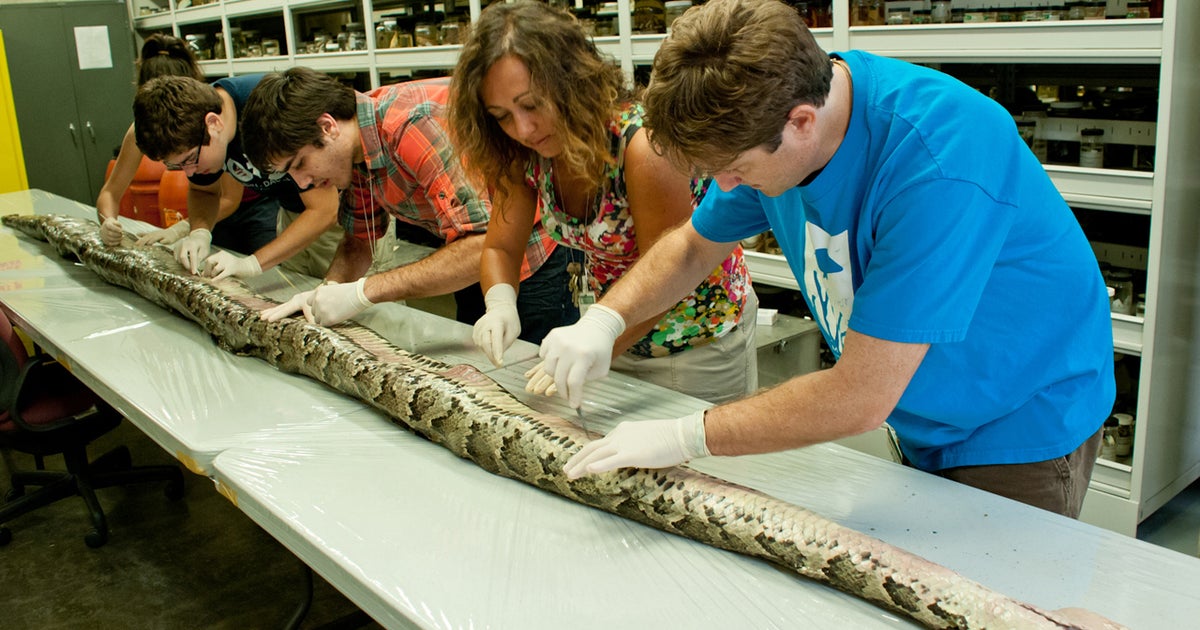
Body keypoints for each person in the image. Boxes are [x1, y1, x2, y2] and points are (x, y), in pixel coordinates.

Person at [541, 0, 1115, 519]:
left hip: (1017, 420)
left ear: (801, 123)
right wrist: (605, 320)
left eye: (735, 169)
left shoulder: (941, 162)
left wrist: (689, 435)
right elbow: (695, 245)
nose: (726, 184)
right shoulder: (768, 117)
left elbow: (861, 395)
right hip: (918, 409)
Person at [447, 0, 757, 402]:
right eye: (502, 115)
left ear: (570, 81)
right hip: (611, 328)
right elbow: (502, 246)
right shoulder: (521, 152)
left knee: (694, 461)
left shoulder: (641, 146)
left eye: (532, 104)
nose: (522, 128)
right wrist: (500, 303)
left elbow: (672, 272)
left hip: (693, 339)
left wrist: (599, 340)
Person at [239, 67, 575, 342]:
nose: (302, 183)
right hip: (472, 271)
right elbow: (359, 241)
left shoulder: (411, 124)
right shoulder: (353, 153)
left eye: (300, 163)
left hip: (530, 263)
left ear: (327, 127)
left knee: (536, 388)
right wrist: (324, 294)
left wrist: (363, 292)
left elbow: (480, 246)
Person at [131, 74, 349, 280]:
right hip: (292, 214)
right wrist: (199, 231)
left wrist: (251, 264)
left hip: (342, 213)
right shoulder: (196, 129)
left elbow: (324, 210)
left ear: (214, 123)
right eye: (178, 165)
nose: (189, 171)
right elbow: (203, 191)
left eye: (190, 160)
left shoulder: (266, 113)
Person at [96, 33, 203, 247]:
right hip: (190, 222)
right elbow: (110, 192)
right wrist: (108, 221)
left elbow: (227, 198)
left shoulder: (212, 122)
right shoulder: (143, 130)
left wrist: (185, 229)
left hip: (239, 216)